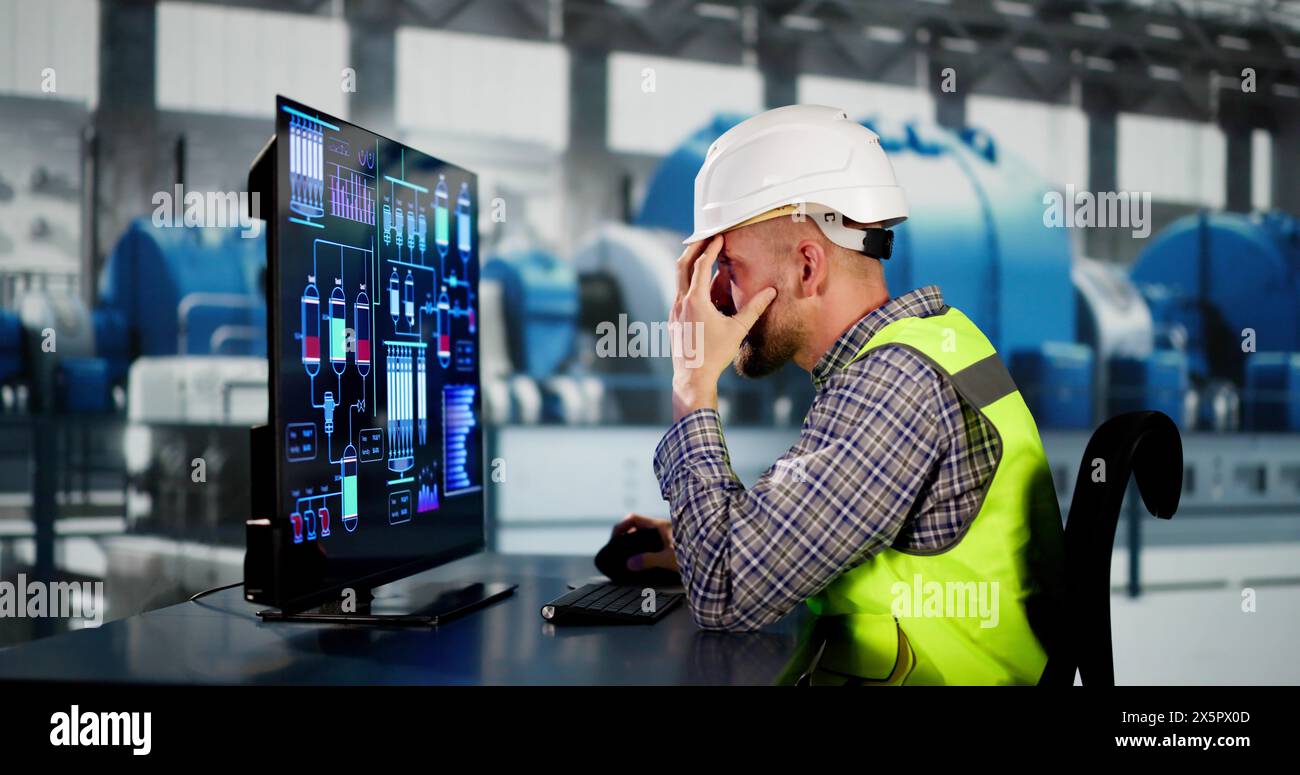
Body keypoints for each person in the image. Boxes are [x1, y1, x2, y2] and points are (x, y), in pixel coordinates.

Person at [611, 105, 1064, 685]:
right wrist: (706, 538)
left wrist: (691, 384)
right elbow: (836, 538)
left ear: (807, 266)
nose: (716, 296)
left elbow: (723, 596)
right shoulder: (937, 341)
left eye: (727, 266)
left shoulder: (892, 387)